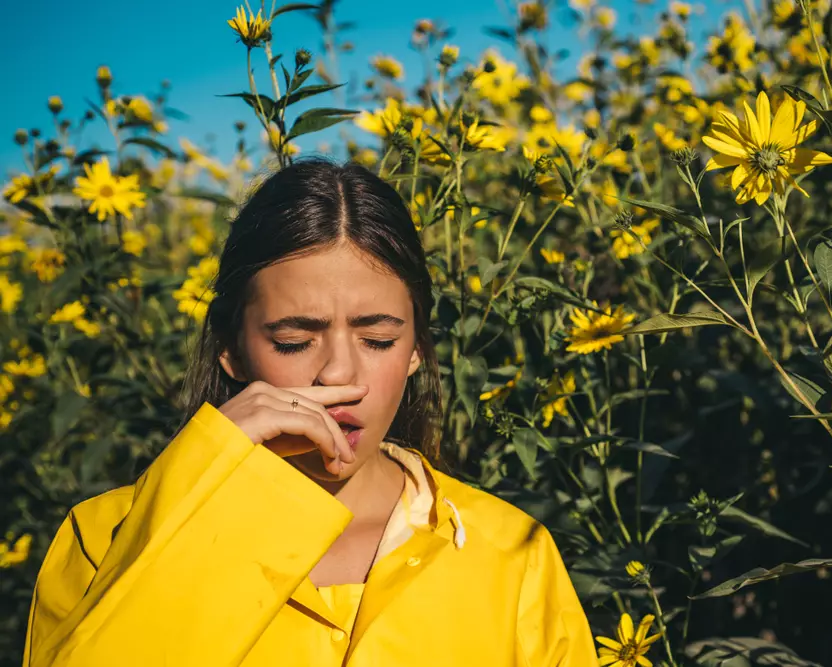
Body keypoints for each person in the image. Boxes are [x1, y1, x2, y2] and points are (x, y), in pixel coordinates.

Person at [22, 159, 598, 666]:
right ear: (230, 347)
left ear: (418, 348)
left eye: (378, 340)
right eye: (295, 341)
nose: (338, 375)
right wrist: (204, 490)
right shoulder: (104, 538)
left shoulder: (510, 551)